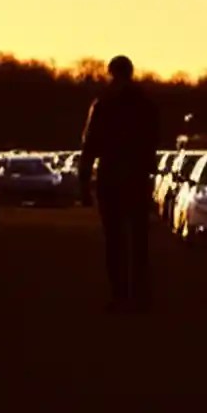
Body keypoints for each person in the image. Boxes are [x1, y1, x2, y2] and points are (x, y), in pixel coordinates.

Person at [78, 55, 160, 312]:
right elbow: (154, 141)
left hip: (111, 176)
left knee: (114, 240)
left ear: (111, 73)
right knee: (138, 240)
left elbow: (89, 145)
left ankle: (120, 294)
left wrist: (83, 183)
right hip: (135, 176)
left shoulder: (103, 104)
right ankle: (139, 294)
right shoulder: (146, 105)